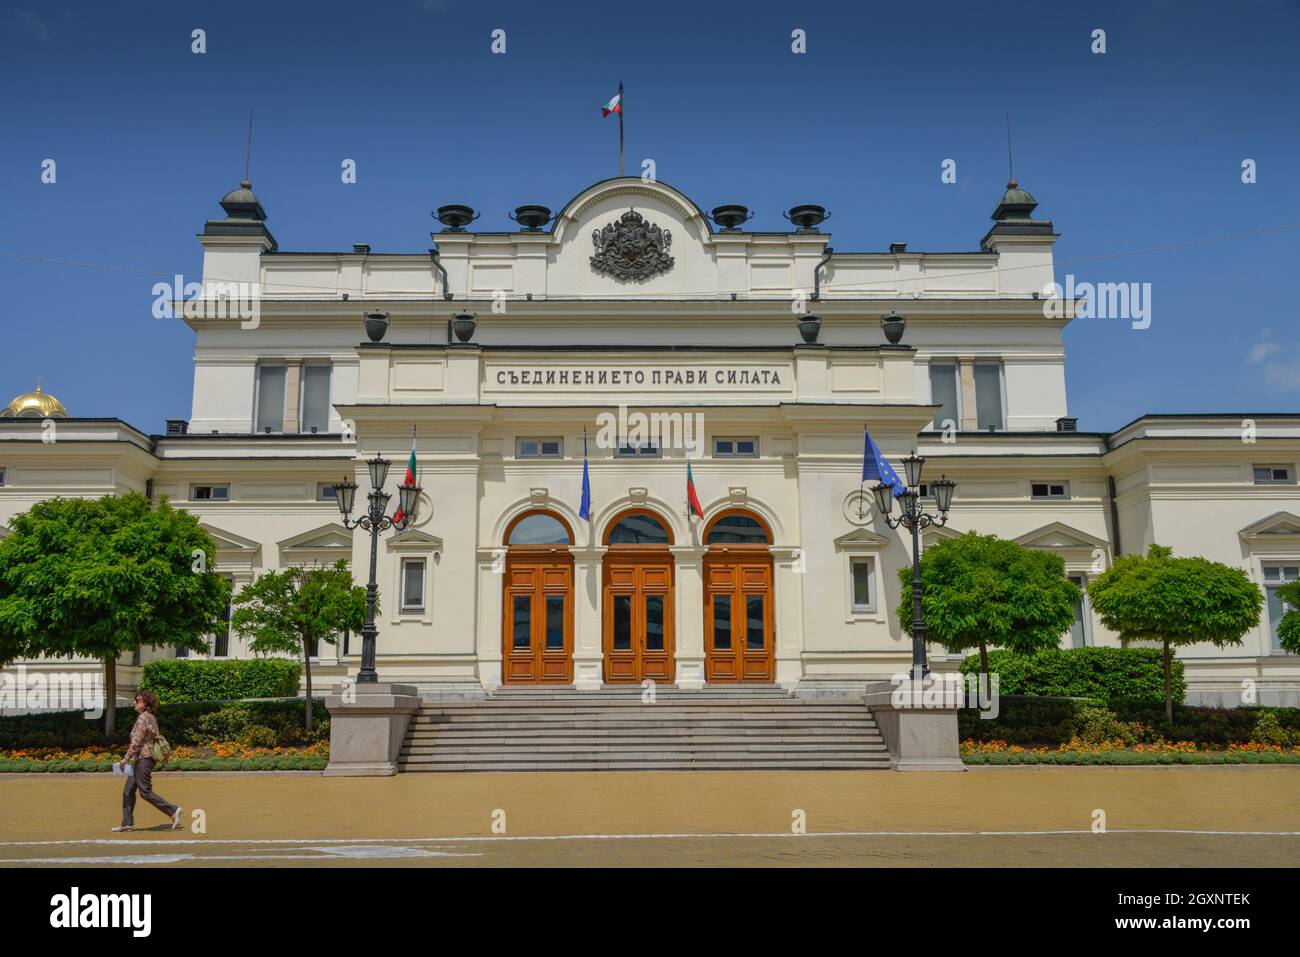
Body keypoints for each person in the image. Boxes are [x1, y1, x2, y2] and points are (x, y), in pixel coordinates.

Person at [111, 690, 182, 832]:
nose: (135, 703)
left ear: (145, 704)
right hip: (141, 759)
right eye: (135, 700)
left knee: (145, 792)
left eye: (138, 701)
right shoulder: (151, 717)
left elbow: (136, 742)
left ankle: (173, 810)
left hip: (144, 758)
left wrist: (125, 759)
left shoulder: (143, 718)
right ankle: (127, 823)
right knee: (128, 791)